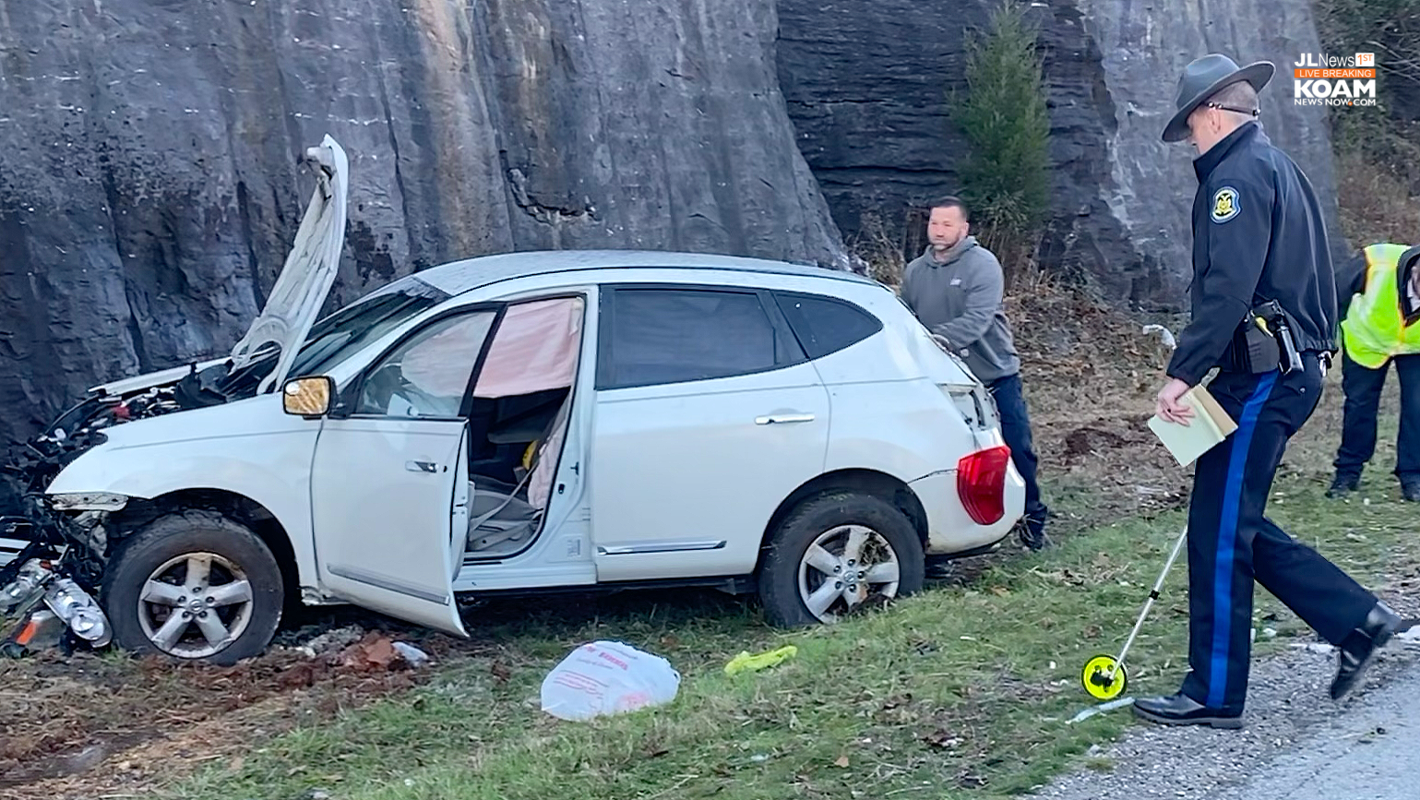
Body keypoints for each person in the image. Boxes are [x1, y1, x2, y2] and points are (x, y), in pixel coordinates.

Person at [1136, 53, 1403, 729]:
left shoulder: (1236, 176)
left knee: (1220, 531)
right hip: (1276, 370)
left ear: (1209, 115)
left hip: (1263, 375)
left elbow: (1228, 286)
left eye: (1188, 127)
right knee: (1229, 519)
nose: (1189, 140)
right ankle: (1357, 619)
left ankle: (1215, 694)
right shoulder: (1273, 165)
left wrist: (1182, 373)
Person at [899, 196, 1049, 552]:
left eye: (947, 224)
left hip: (994, 377)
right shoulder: (915, 271)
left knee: (1017, 451)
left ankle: (1032, 526)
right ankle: (953, 538)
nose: (939, 230)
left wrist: (932, 343)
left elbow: (977, 320)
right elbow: (905, 318)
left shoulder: (983, 265)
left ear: (964, 229)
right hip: (942, 384)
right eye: (934, 223)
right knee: (946, 458)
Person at [1326, 242, 1420, 502]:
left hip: (1415, 346)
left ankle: (1413, 476)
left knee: (1418, 407)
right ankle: (1348, 473)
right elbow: (1331, 296)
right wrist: (1324, 340)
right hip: (1366, 341)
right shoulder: (1377, 263)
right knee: (1359, 406)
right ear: (1414, 274)